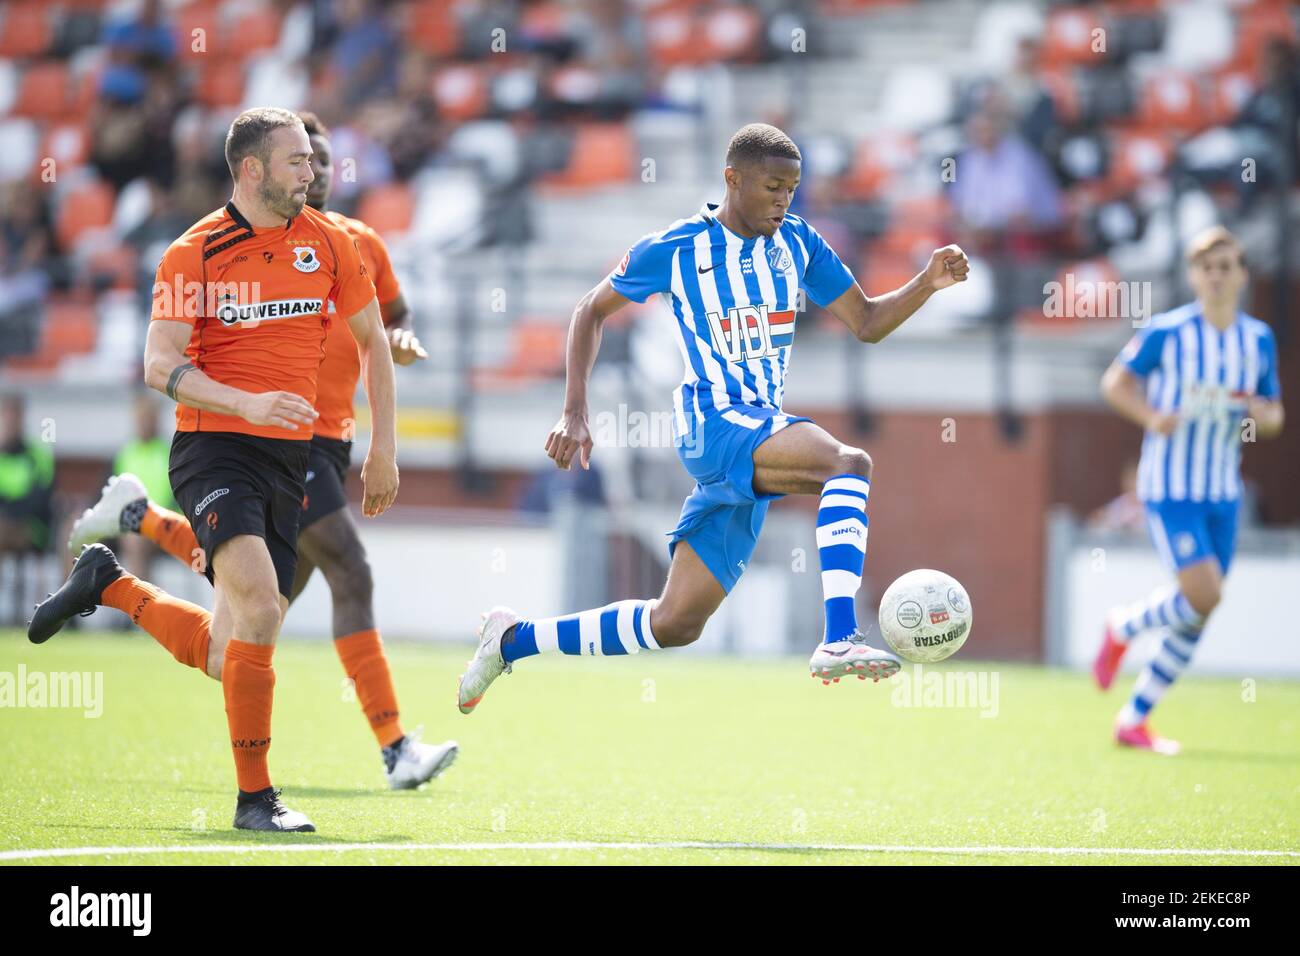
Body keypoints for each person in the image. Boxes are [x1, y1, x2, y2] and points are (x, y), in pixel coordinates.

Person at [456, 123, 969, 714]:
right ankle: (838, 636)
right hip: (712, 423)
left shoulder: (799, 242)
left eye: (793, 189)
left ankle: (512, 641)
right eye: (773, 187)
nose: (784, 200)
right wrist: (574, 410)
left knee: (674, 623)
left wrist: (927, 283)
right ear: (733, 179)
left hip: (756, 432)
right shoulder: (677, 247)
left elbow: (868, 322)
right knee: (847, 464)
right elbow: (589, 311)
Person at [30, 107, 400, 832]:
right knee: (263, 608)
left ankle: (111, 584)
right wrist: (247, 403)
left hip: (289, 461)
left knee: (228, 652)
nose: (313, 172)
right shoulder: (192, 253)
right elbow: (158, 365)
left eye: (312, 160)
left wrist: (383, 447)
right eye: (296, 161)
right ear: (252, 169)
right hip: (213, 450)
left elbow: (375, 341)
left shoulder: (328, 242)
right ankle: (255, 801)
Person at [1093, 226, 1285, 754]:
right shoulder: (1168, 332)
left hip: (1223, 490)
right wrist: (1153, 417)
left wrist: (1260, 414)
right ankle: (1122, 626)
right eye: (1208, 267)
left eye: (1227, 266)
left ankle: (1134, 718)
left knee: (1200, 607)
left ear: (1242, 274)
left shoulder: (1257, 339)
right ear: (1194, 276)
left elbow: (1273, 416)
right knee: (1204, 595)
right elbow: (1115, 383)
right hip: (1171, 486)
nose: (1217, 276)